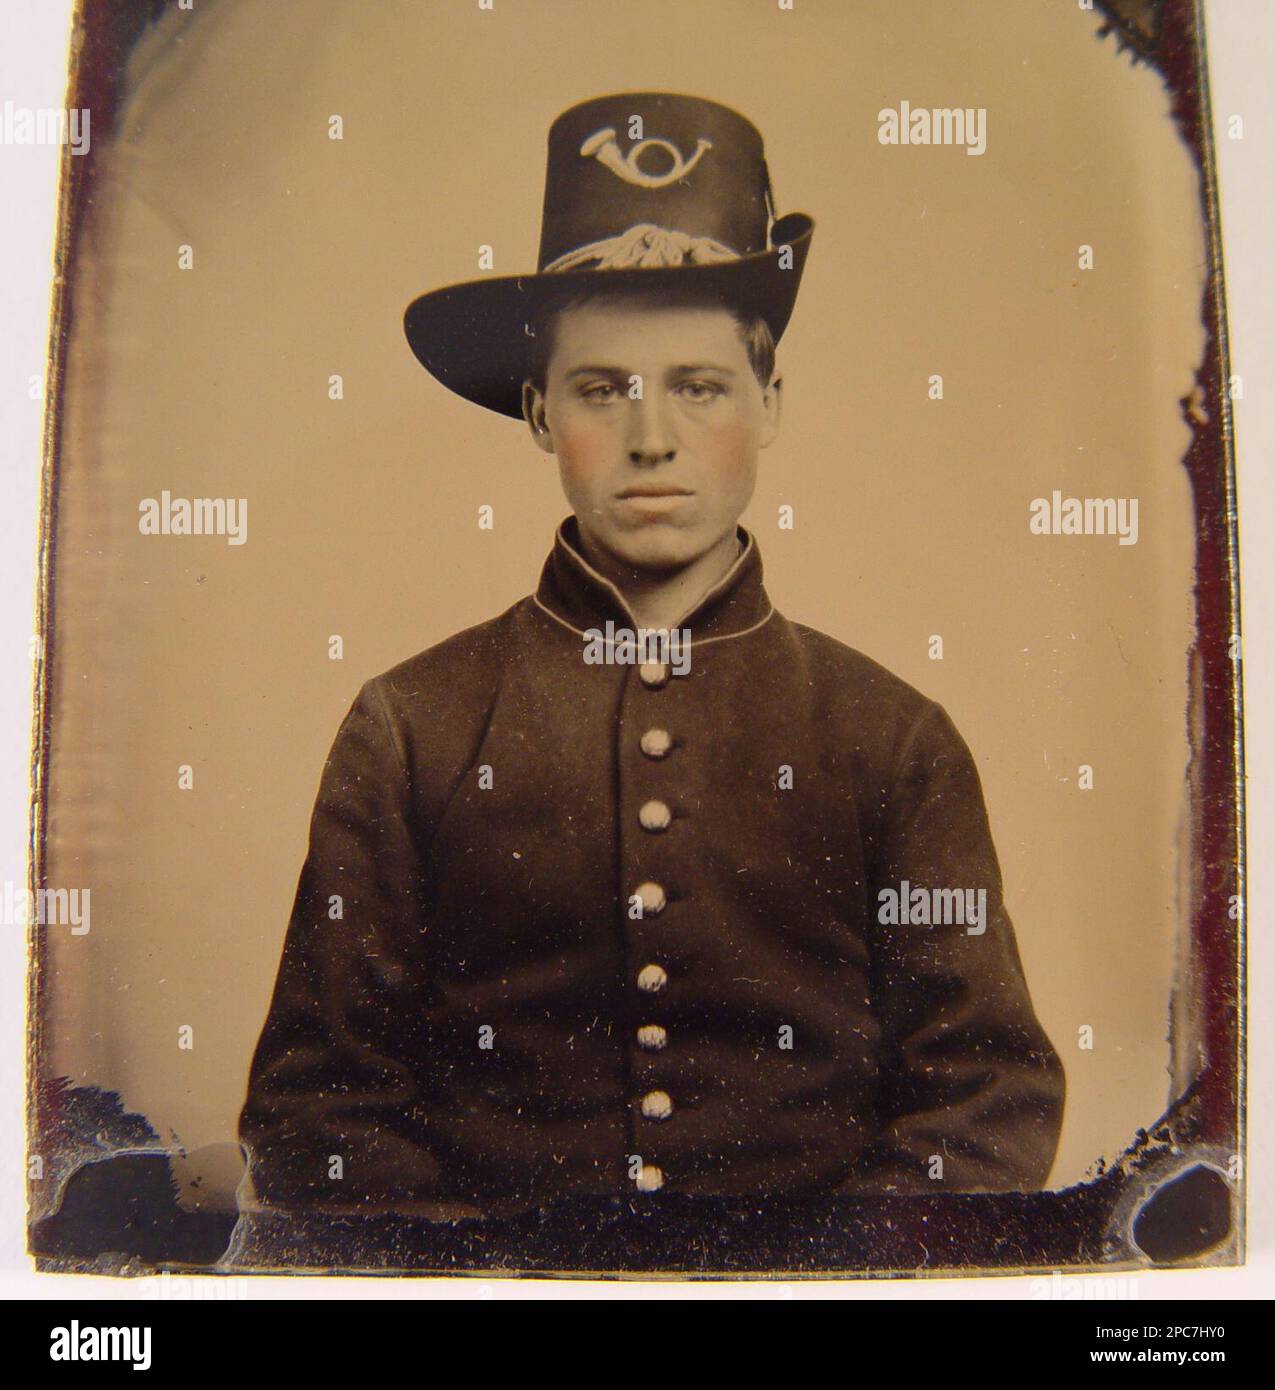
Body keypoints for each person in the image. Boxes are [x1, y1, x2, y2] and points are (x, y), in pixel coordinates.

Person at [239, 92, 1064, 1218]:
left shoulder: (890, 738)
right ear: (536, 413)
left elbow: (983, 1094)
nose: (652, 435)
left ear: (769, 403)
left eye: (700, 385)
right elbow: (316, 1105)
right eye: (600, 389)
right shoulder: (412, 725)